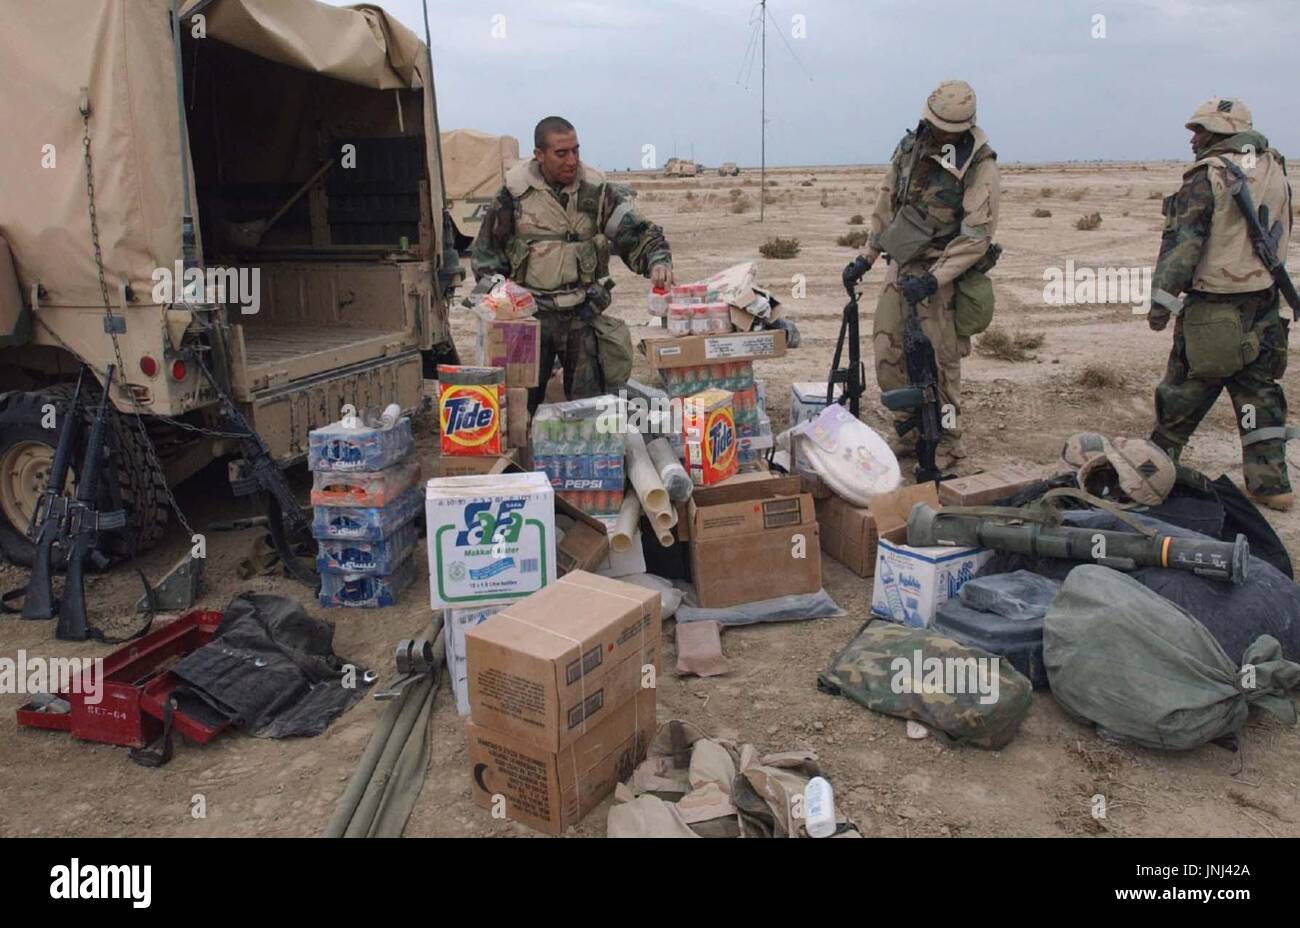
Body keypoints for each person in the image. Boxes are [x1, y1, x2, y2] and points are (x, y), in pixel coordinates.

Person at [842, 79, 1001, 469]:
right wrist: (867, 255)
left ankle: (946, 440)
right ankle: (911, 432)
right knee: (887, 350)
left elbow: (977, 235)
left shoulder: (979, 162)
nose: (941, 133)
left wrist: (935, 278)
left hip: (943, 272)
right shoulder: (910, 147)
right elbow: (887, 203)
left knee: (941, 362)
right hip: (902, 263)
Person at [1147, 97, 1295, 512]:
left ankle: (1150, 473)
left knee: (1181, 395)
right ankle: (1271, 484)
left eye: (1201, 130)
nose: (1193, 138)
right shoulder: (1274, 166)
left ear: (1221, 133)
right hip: (1265, 303)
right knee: (1259, 396)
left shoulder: (1207, 175)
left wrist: (1161, 302)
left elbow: (1183, 245)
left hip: (1214, 308)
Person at [471, 116, 674, 412]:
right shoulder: (513, 194)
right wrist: (504, 306)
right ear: (539, 155)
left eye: (576, 151)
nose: (572, 161)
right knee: (517, 407)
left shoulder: (596, 190)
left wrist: (658, 260)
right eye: (561, 153)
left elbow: (637, 233)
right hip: (530, 318)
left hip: (582, 312)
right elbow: (486, 258)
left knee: (591, 408)